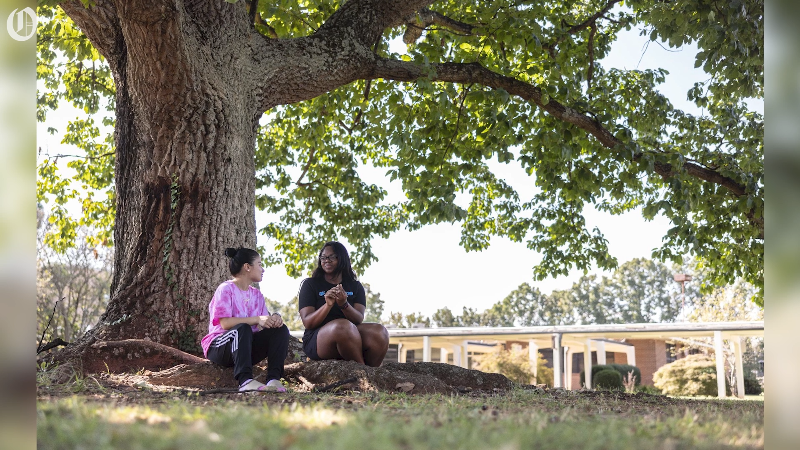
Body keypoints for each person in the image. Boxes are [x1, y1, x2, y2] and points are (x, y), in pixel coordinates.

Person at [201, 247, 290, 392]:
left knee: (280, 330)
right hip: (220, 346)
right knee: (242, 328)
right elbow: (224, 323)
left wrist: (275, 319)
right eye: (260, 264)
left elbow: (264, 322)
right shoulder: (226, 289)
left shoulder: (257, 295)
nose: (263, 269)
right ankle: (245, 381)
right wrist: (256, 319)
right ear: (247, 267)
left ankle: (273, 379)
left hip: (245, 348)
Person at [298, 241, 389, 367]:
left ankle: (373, 370)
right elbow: (308, 322)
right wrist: (328, 305)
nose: (326, 260)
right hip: (318, 340)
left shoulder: (355, 286)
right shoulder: (310, 284)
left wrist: (344, 304)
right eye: (323, 257)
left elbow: (358, 319)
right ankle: (363, 374)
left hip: (351, 336)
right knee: (342, 326)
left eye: (332, 257)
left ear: (342, 259)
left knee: (380, 332)